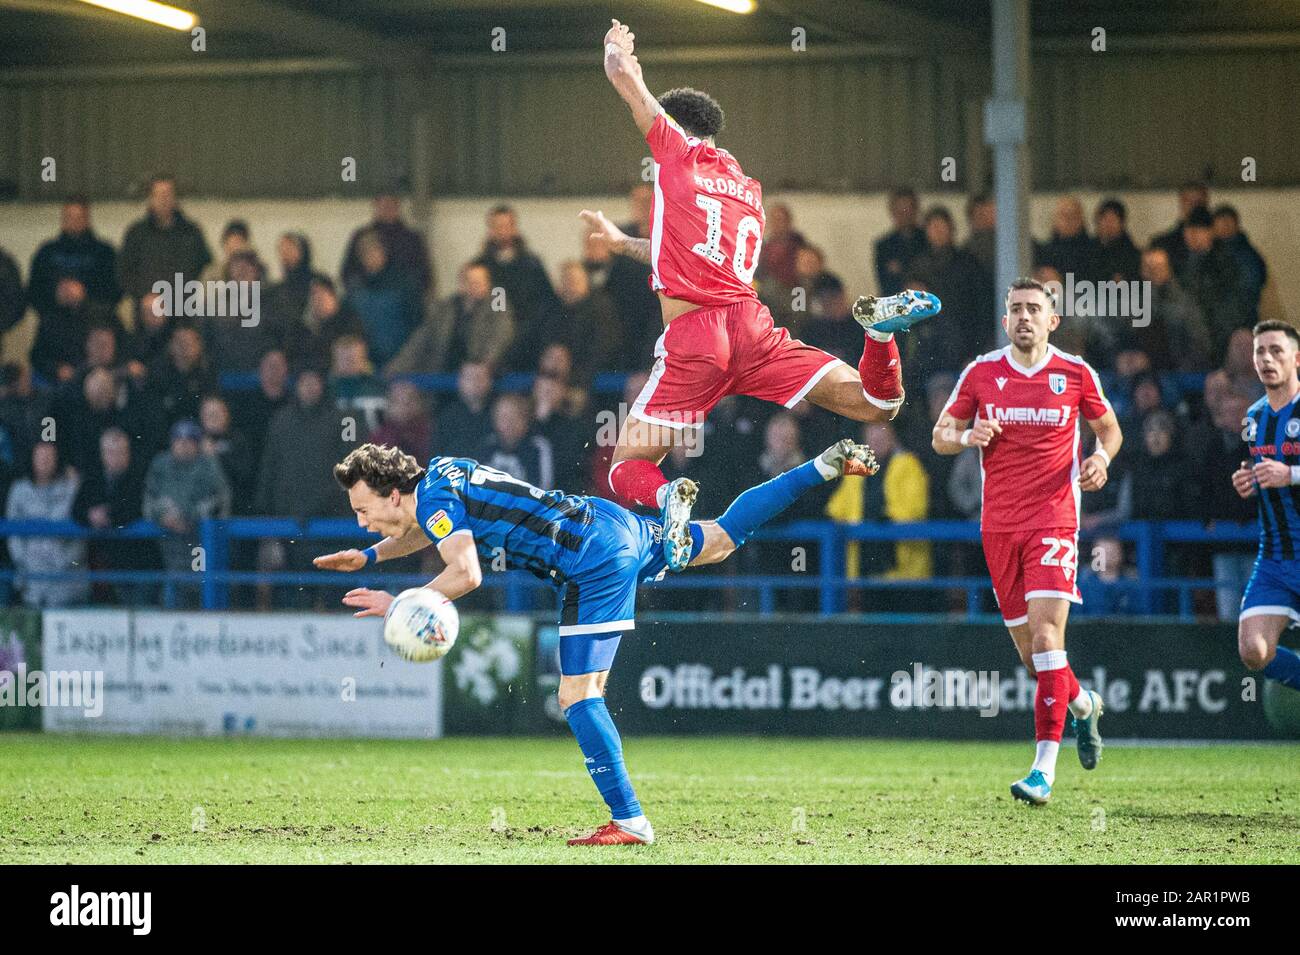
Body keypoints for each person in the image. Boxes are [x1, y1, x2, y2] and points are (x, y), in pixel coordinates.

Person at [313, 437, 878, 845]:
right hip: (607, 524)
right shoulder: (441, 476)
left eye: (364, 511)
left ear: (391, 492)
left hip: (589, 561)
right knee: (722, 539)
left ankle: (629, 820)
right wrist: (368, 557)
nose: (363, 521)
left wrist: (406, 604)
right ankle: (818, 468)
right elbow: (424, 529)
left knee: (576, 697)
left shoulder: (434, 504)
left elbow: (465, 574)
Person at [580, 18, 940, 573]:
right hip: (751, 327)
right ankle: (875, 332)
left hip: (695, 336)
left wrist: (617, 50)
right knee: (879, 404)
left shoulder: (677, 154)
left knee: (626, 464)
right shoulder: (747, 191)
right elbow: (683, 250)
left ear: (677, 128)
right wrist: (625, 242)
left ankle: (668, 497)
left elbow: (624, 77)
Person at [932, 278, 1123, 806]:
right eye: (1015, 308)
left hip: (1054, 521)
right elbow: (940, 434)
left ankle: (1042, 771)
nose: (1023, 317)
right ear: (1005, 319)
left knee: (1045, 640)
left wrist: (1101, 459)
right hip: (998, 529)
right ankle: (1084, 705)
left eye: (1033, 309)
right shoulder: (982, 372)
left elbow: (1109, 429)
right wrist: (968, 436)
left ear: (1052, 320)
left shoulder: (1075, 372)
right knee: (1036, 657)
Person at [1229, 321, 1300, 694]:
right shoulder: (1254, 417)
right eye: (1260, 352)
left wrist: (1291, 474)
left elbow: (1284, 473)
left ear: (1296, 358)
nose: (1267, 359)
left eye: (1276, 351)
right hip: (1274, 556)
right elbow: (1263, 472)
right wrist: (1247, 480)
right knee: (1253, 651)